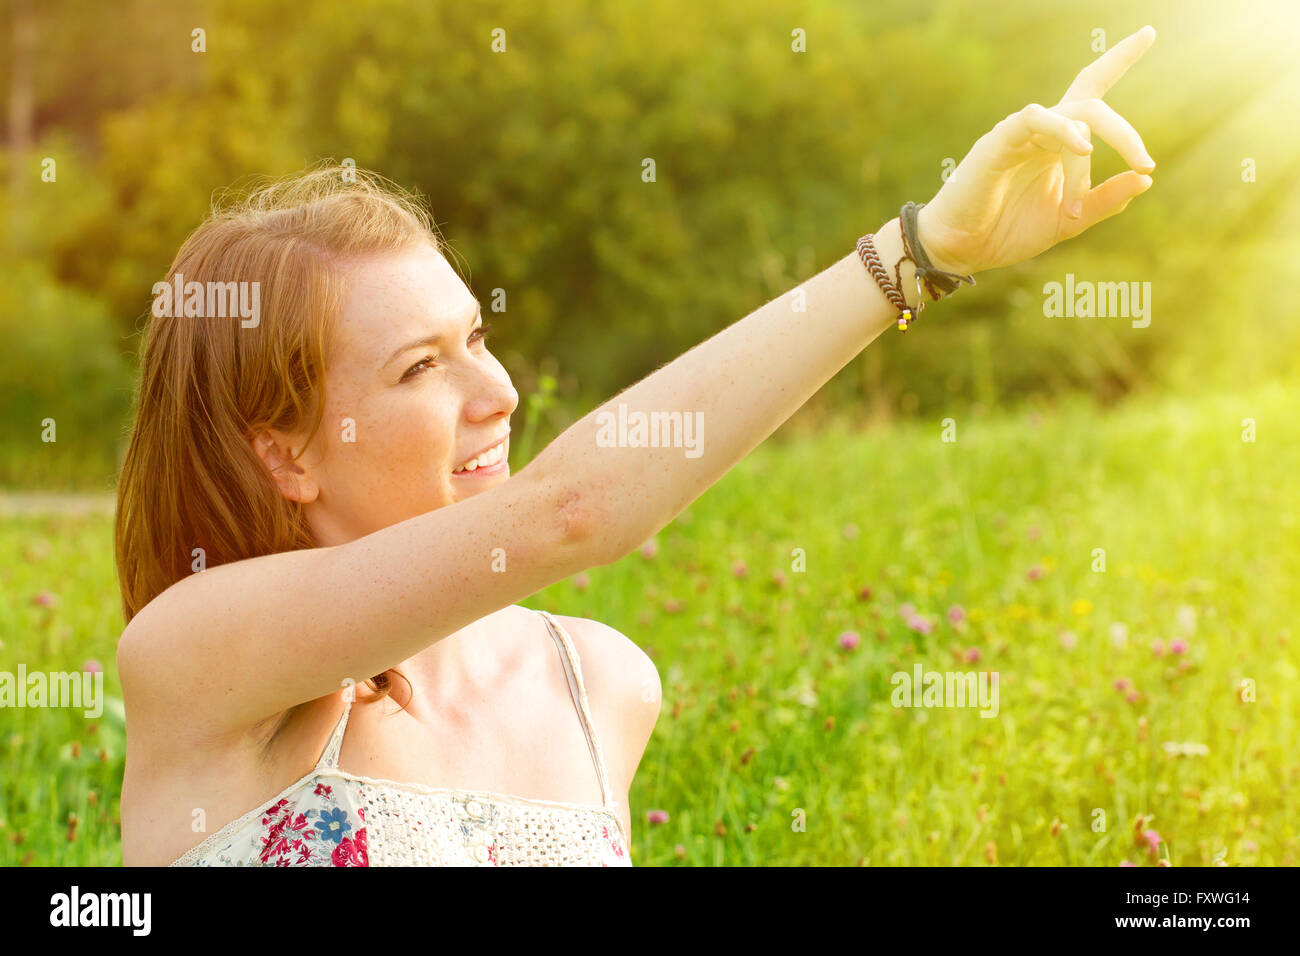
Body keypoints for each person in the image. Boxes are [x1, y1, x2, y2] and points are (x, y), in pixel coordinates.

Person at [115, 26, 1157, 866]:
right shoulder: (197, 661)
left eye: (477, 338)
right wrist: (917, 254)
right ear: (285, 455)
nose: (499, 393)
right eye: (419, 367)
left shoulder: (599, 683)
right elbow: (572, 511)